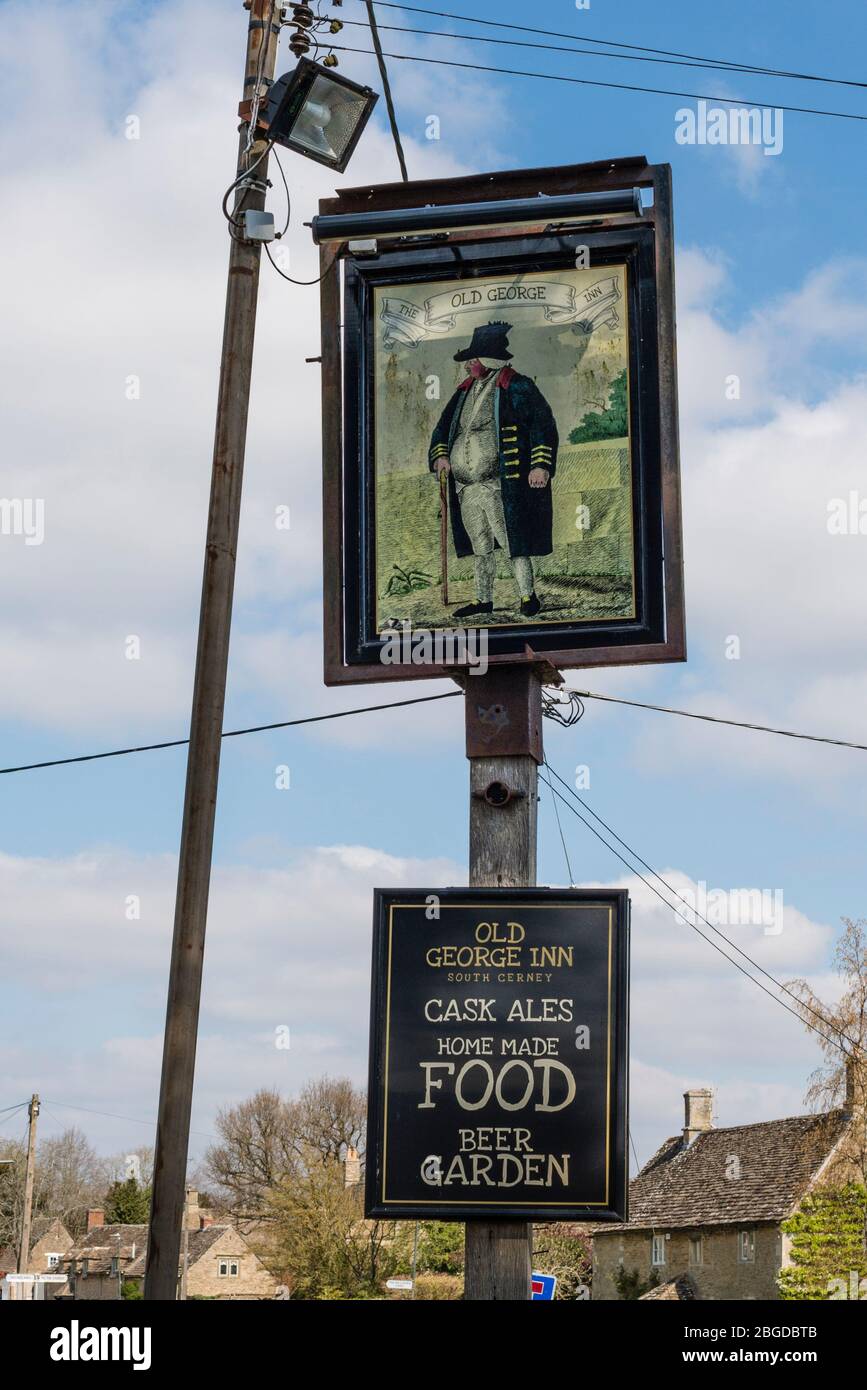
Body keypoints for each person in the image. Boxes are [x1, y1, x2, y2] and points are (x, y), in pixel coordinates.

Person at [428, 320, 558, 618]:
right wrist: (441, 456)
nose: (467, 366)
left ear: (487, 360)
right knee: (480, 546)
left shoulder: (517, 384)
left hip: (500, 484)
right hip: (466, 485)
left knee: (514, 541)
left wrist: (540, 464)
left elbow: (542, 423)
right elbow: (442, 429)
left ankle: (527, 596)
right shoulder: (464, 392)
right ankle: (482, 599)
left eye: (472, 360)